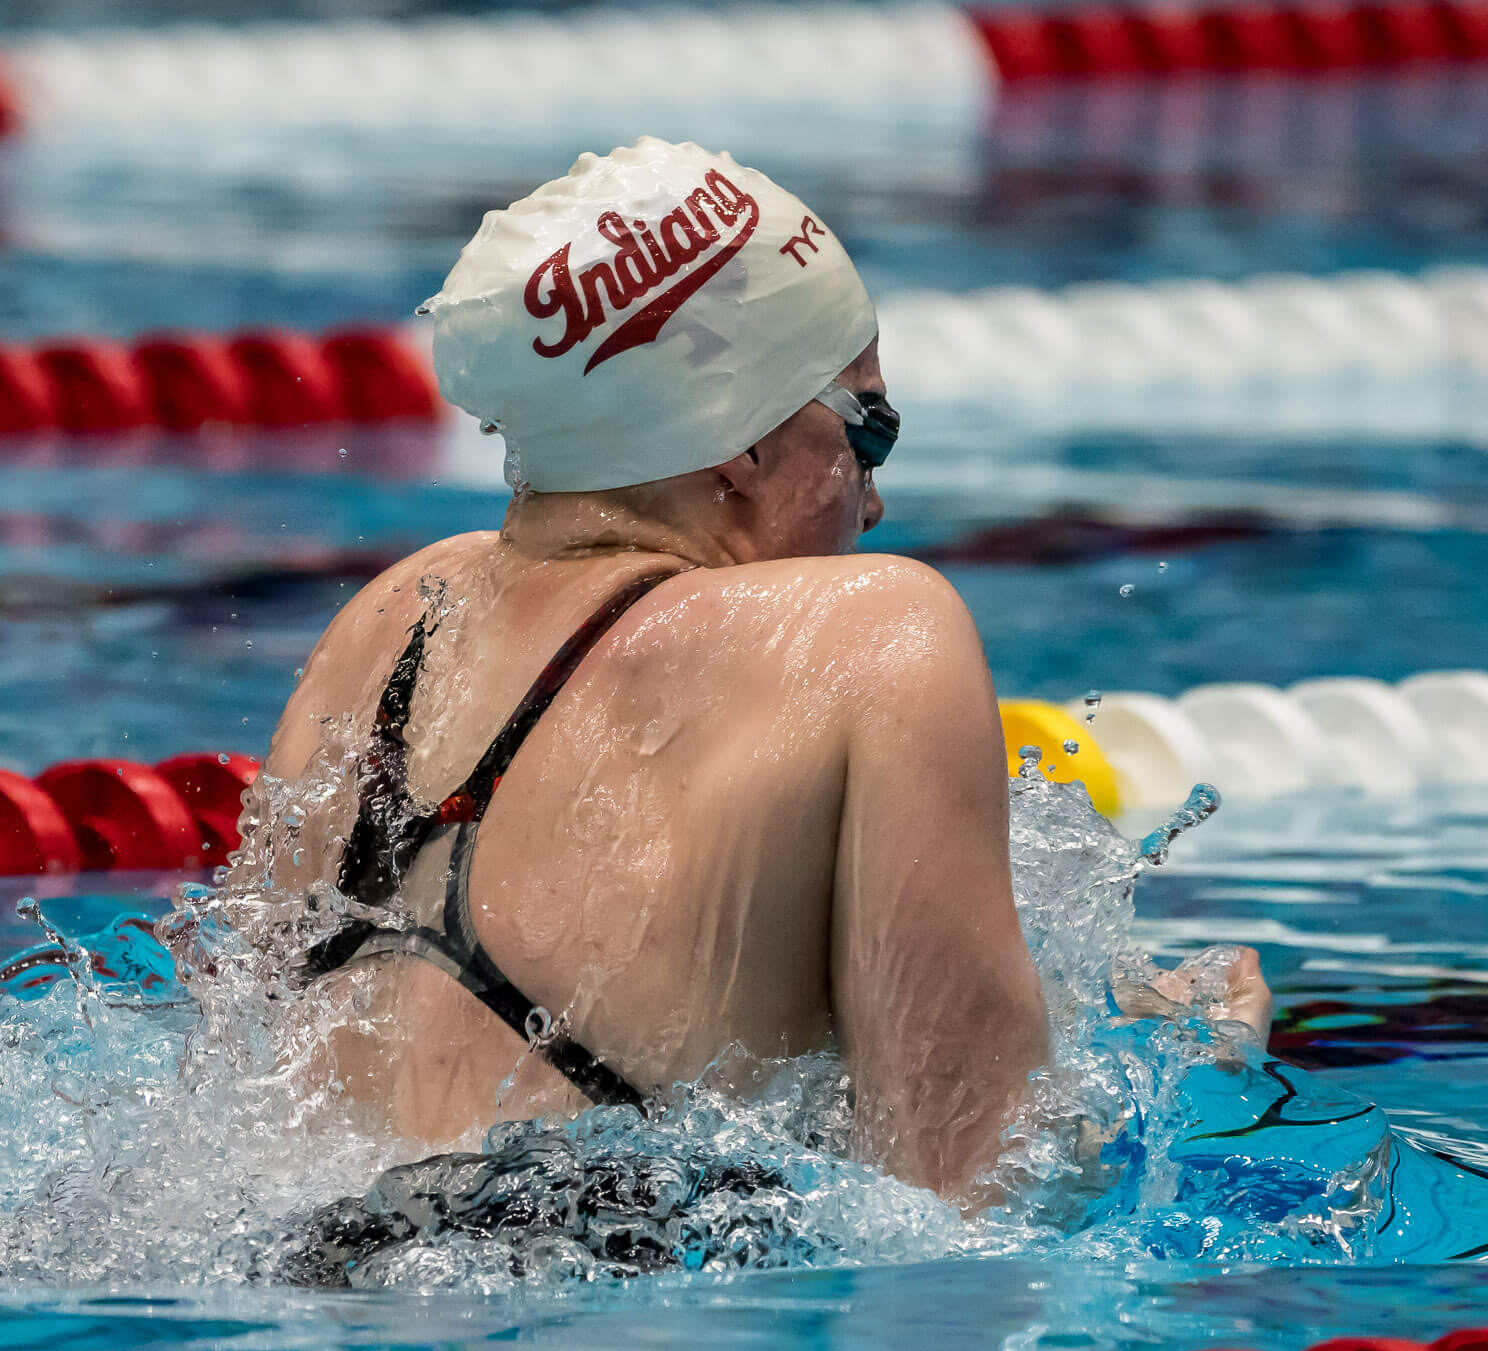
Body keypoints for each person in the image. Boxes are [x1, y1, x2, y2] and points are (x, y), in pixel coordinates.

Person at [256, 140, 1271, 1232]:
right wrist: (1177, 1053)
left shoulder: (390, 616)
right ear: (740, 442)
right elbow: (974, 1187)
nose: (873, 503)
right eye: (867, 432)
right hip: (608, 1341)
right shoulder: (870, 633)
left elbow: (250, 1085)